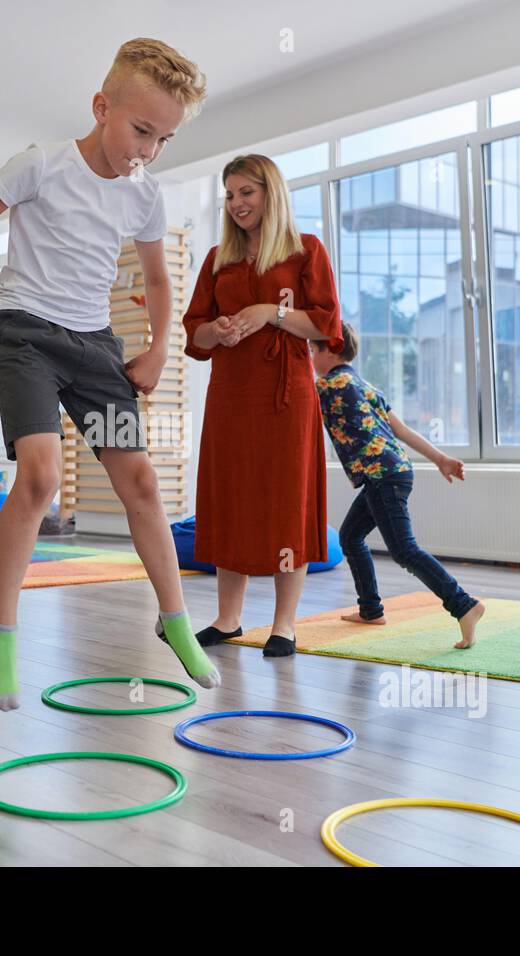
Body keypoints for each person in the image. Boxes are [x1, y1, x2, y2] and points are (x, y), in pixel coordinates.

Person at [0, 38, 220, 709]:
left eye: (163, 139)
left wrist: (159, 348)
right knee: (42, 475)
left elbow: (162, 280)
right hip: (24, 333)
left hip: (95, 350)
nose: (147, 151)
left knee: (141, 480)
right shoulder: (41, 166)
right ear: (100, 106)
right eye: (141, 130)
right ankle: (0, 634)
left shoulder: (144, 197)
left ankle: (174, 623)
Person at [182, 153, 342, 658]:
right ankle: (228, 620)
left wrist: (268, 312)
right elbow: (195, 334)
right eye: (229, 195)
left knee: (283, 502)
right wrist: (220, 329)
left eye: (246, 192)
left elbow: (325, 327)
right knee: (231, 499)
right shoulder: (216, 259)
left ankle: (284, 625)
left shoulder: (306, 250)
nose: (236, 203)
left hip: (286, 397)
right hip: (231, 395)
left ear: (270, 193)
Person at [312, 322, 485, 649]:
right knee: (350, 536)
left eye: (312, 350)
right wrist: (440, 459)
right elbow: (402, 431)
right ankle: (371, 609)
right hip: (395, 470)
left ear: (331, 349)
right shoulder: (365, 386)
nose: (310, 358)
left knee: (404, 550)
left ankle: (464, 605)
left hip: (382, 475)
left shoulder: (329, 385)